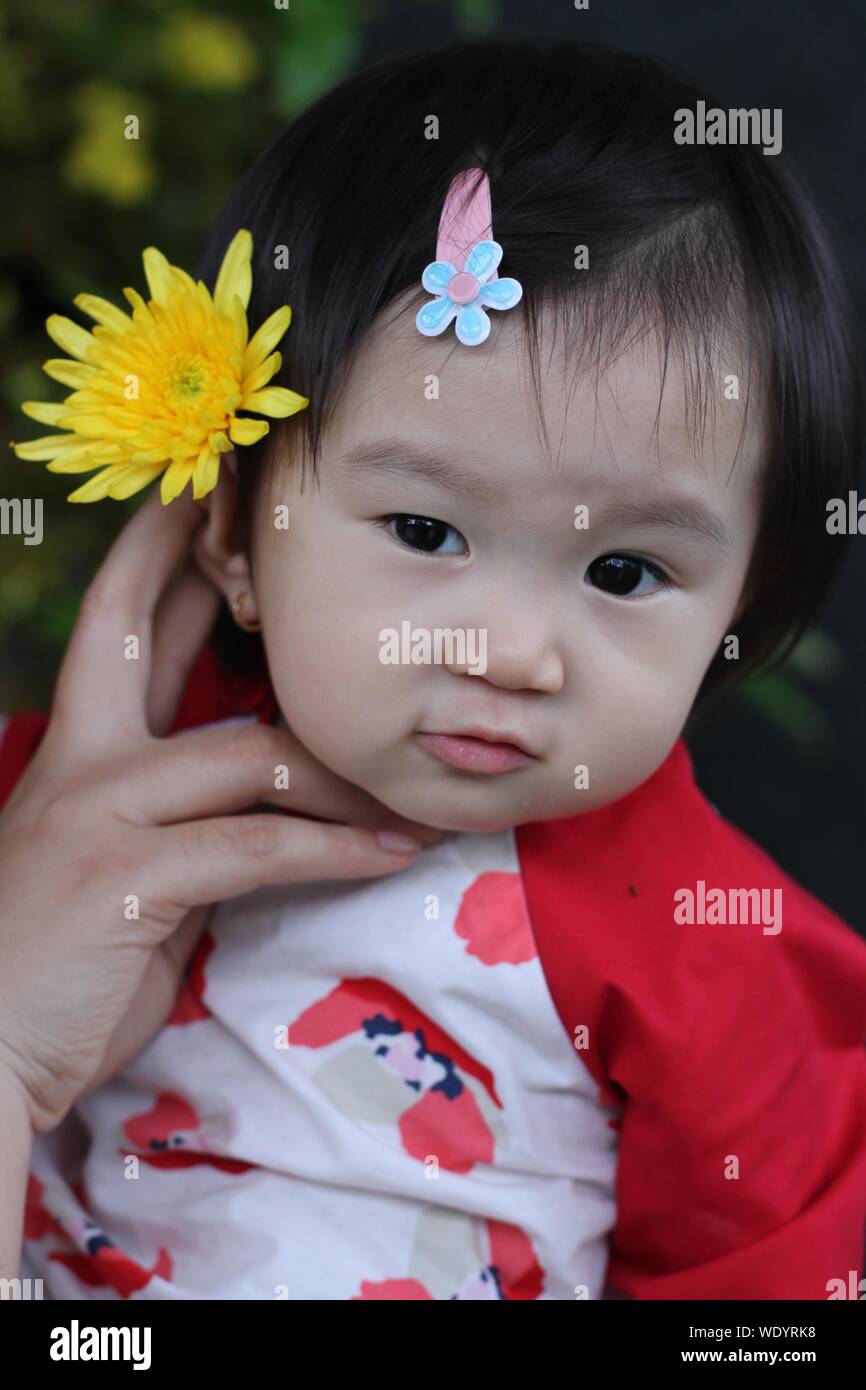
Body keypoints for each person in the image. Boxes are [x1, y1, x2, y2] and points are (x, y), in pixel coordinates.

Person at [2, 36, 865, 1301]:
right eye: (423, 531)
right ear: (234, 528)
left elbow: (772, 1281)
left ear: (748, 590)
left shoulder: (695, 940)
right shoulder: (71, 827)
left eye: (623, 572)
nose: (510, 652)